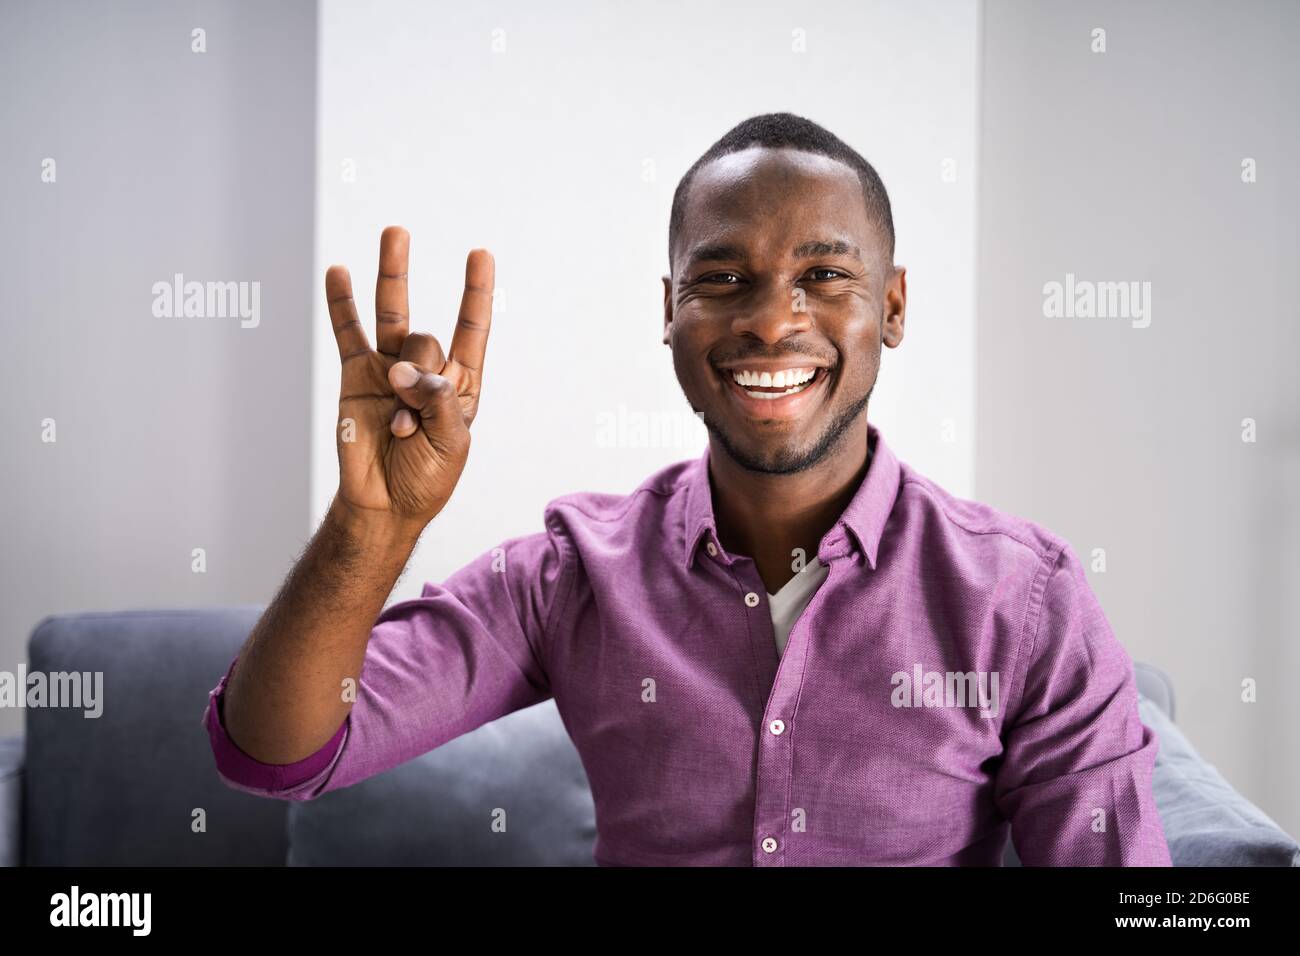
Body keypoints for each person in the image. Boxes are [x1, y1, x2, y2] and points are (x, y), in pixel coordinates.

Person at [202, 112, 1171, 866]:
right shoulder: (573, 572)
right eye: (723, 278)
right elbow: (274, 750)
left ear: (893, 305)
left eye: (824, 273)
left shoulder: (1021, 596)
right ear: (669, 311)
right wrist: (375, 521)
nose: (770, 321)